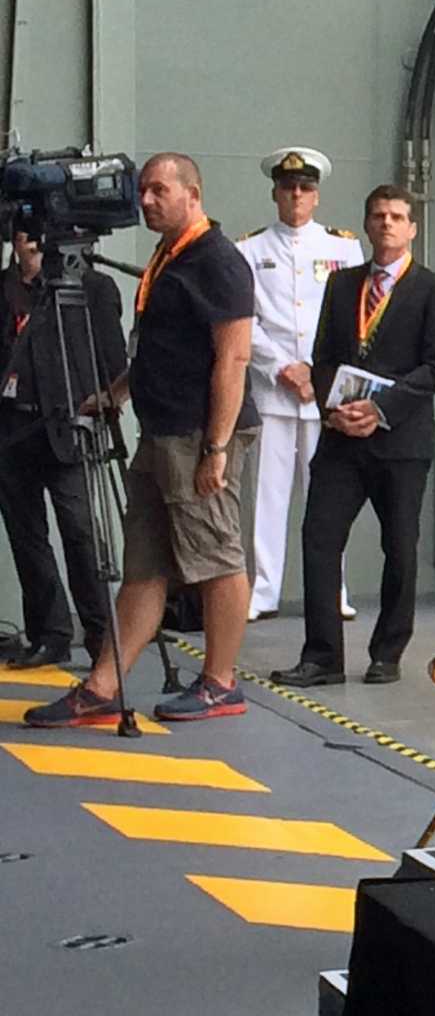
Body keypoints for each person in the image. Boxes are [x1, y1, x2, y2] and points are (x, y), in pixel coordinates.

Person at [29, 154, 259, 727]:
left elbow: (232, 357)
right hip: (161, 432)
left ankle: (220, 683)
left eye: (160, 190)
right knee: (145, 567)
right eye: (143, 191)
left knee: (217, 558)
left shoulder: (218, 261)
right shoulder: (169, 255)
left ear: (193, 193)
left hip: (199, 434)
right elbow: (162, 347)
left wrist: (217, 448)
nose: (147, 200)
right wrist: (117, 393)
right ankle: (103, 687)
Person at [271, 185, 435, 688]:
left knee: (399, 546)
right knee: (318, 537)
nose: (387, 224)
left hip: (400, 441)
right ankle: (322, 657)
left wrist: (380, 408)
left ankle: (387, 652)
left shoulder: (433, 288)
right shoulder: (342, 284)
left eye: (398, 216)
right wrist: (336, 406)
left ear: (412, 227)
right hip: (341, 437)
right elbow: (324, 356)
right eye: (378, 215)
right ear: (367, 222)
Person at [239, 147, 365, 622]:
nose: (296, 195)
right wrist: (281, 367)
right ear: (275, 192)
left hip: (323, 392)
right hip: (274, 390)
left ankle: (332, 591)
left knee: (329, 495)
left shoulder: (342, 247)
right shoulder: (249, 248)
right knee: (267, 498)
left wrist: (316, 371)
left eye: (305, 188)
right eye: (288, 187)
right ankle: (264, 591)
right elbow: (244, 321)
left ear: (316, 196)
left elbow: (351, 319)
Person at [0, 224, 127, 667]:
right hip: (11, 430)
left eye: (39, 236)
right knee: (26, 536)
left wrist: (107, 404)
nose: (31, 244)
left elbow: (113, 358)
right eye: (23, 235)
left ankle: (99, 635)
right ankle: (50, 634)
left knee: (80, 532)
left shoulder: (90, 286)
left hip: (69, 426)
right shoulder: (4, 289)